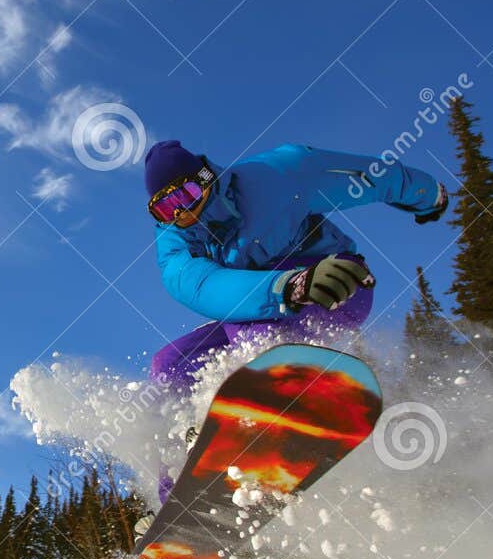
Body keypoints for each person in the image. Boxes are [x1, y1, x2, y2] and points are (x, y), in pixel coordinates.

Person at [141, 139, 447, 515]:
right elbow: (202, 285)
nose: (183, 211)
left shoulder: (276, 176)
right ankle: (180, 500)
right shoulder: (173, 245)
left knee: (250, 328)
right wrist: (283, 288)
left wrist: (426, 194)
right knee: (169, 366)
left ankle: (259, 426)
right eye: (167, 207)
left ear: (207, 178)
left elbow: (366, 175)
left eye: (188, 193)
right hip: (262, 306)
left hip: (333, 285)